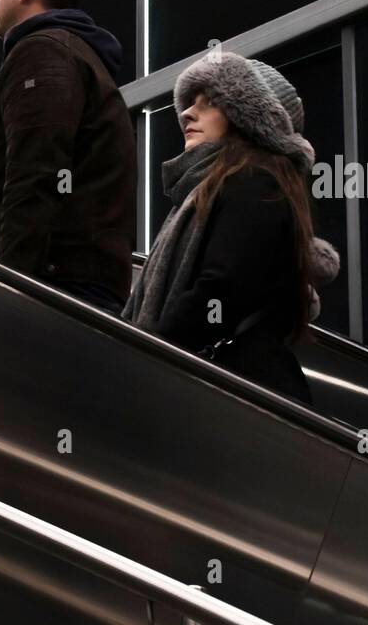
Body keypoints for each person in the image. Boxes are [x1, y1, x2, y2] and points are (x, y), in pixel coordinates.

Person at [123, 50, 339, 404]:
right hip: (230, 382)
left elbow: (222, 287)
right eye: (189, 102)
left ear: (246, 118)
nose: (187, 113)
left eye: (209, 103)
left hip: (241, 390)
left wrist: (150, 350)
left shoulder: (254, 182)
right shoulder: (205, 191)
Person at [0, 0, 136, 315]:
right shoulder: (82, 57)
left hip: (54, 286)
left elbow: (35, 175)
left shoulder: (41, 52)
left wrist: (6, 289)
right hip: (81, 283)